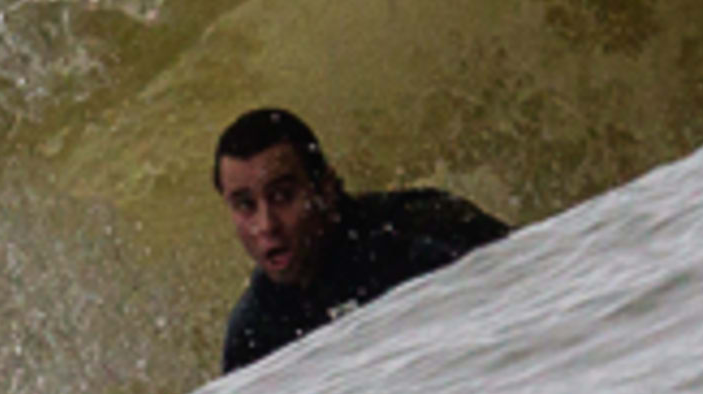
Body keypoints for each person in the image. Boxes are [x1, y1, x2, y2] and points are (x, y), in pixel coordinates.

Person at [212, 106, 509, 374]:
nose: (266, 225)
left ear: (326, 189)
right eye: (245, 206)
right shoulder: (254, 335)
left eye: (283, 197)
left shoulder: (421, 233)